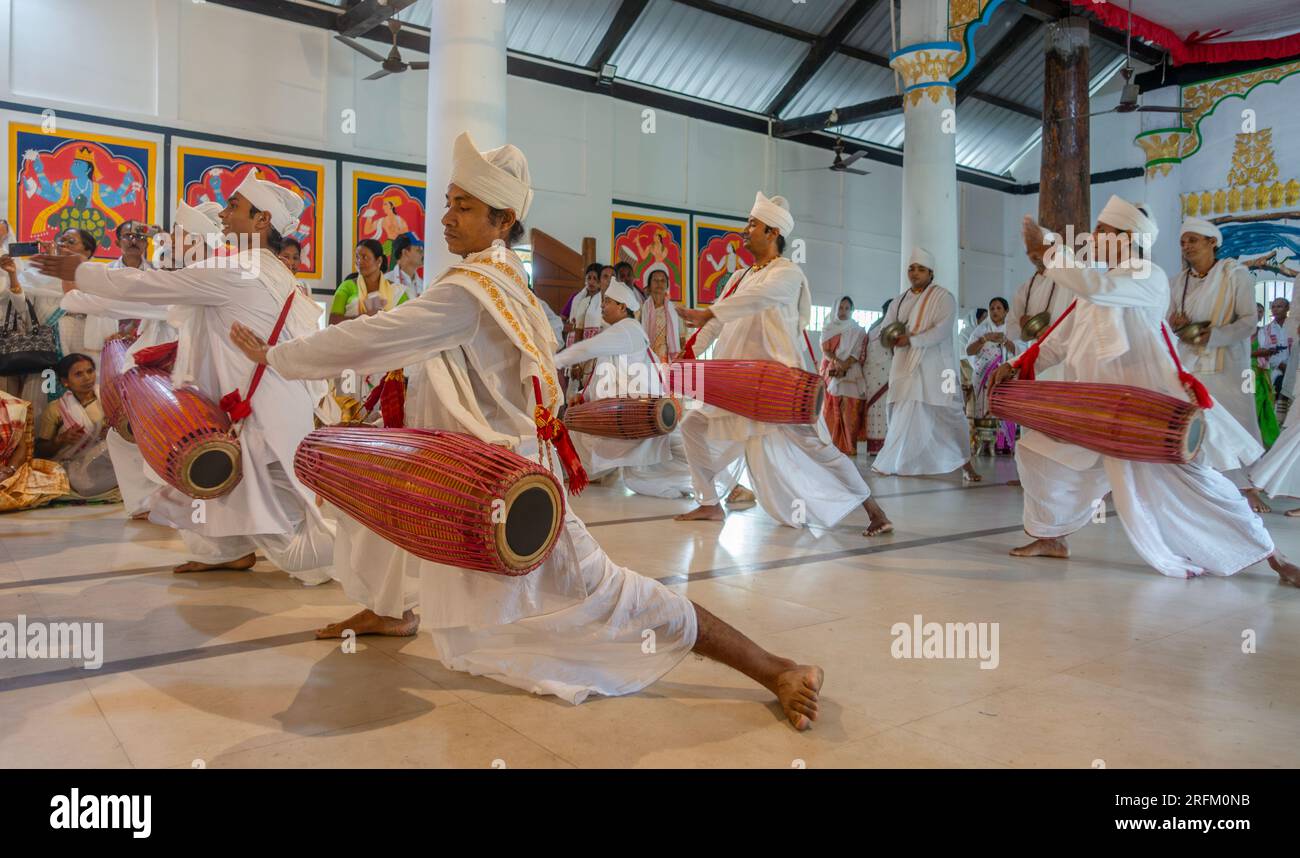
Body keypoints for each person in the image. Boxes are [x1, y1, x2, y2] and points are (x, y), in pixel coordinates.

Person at [229, 132, 826, 730]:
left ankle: (775, 667)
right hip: (500, 475)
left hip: (509, 490)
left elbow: (377, 336)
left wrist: (280, 358)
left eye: (463, 207)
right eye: (448, 202)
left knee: (608, 592)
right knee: (397, 535)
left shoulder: (470, 291)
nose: (446, 217)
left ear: (502, 219)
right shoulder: (505, 277)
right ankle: (388, 610)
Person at [32, 173, 335, 585]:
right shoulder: (271, 270)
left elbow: (153, 284)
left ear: (262, 220)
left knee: (292, 547)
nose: (224, 213)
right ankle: (228, 551)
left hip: (264, 413)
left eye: (234, 206)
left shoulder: (237, 269)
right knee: (222, 492)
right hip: (266, 405)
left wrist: (81, 273)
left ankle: (375, 542)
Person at [998, 199, 1298, 585]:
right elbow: (1059, 340)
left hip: (1146, 409)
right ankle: (1052, 536)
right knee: (1038, 449)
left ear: (1127, 238)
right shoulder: (1096, 283)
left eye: (1103, 232)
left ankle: (1275, 557)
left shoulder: (1146, 275)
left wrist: (1050, 249)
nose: (1094, 237)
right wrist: (1017, 364)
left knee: (1197, 484)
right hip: (1097, 408)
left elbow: (1099, 288)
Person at [673, 192, 893, 538]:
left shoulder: (788, 273)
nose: (745, 230)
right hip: (736, 381)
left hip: (776, 383)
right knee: (692, 425)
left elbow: (758, 299)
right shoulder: (739, 276)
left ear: (773, 232)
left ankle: (874, 510)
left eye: (752, 224)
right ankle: (710, 503)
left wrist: (711, 311)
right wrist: (689, 351)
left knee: (817, 447)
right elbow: (715, 323)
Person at [554, 280, 692, 497]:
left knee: (642, 475)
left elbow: (587, 348)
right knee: (633, 471)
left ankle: (707, 483)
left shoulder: (628, 330)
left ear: (622, 307)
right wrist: (583, 396)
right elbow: (604, 373)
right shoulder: (620, 331)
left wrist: (554, 362)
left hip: (642, 413)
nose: (602, 305)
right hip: (633, 412)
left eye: (607, 301)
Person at [1168, 216, 1268, 511]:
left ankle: (1247, 486)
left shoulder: (1235, 275)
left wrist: (1212, 335)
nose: (1186, 246)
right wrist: (1176, 323)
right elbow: (1168, 321)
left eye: (1193, 240)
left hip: (1228, 363)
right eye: (1183, 241)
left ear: (1213, 243)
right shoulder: (1179, 282)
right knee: (1194, 423)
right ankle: (1197, 481)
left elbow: (1249, 321)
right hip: (1189, 362)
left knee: (1238, 421)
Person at [873, 248, 981, 482]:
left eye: (921, 269)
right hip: (905, 366)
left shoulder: (943, 298)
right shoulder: (899, 301)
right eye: (911, 268)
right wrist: (890, 338)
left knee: (950, 414)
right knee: (901, 411)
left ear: (931, 273)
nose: (915, 273)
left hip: (937, 367)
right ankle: (891, 461)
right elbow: (885, 327)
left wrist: (911, 339)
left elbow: (941, 332)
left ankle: (965, 463)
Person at [34, 353, 118, 501]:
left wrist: (115, 432)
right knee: (84, 483)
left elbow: (131, 432)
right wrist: (61, 440)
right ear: (65, 381)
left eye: (90, 371)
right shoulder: (56, 409)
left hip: (109, 458)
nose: (87, 378)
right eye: (78, 374)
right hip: (76, 466)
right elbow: (39, 451)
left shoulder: (109, 399)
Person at [1, 388, 69, 513]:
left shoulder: (13, 406)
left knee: (55, 475)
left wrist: (10, 470)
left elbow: (21, 447)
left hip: (7, 474)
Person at [967, 297, 1019, 455]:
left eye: (998, 308)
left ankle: (1003, 445)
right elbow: (969, 351)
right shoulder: (982, 329)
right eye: (992, 308)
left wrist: (1006, 341)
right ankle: (983, 444)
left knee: (1004, 409)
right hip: (983, 377)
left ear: (1006, 311)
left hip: (1005, 376)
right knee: (984, 407)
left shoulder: (1013, 329)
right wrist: (985, 339)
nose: (994, 311)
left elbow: (1020, 351)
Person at [819, 295, 868, 457]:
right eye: (841, 308)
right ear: (835, 309)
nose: (844, 311)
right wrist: (837, 362)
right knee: (833, 407)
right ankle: (832, 443)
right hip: (832, 371)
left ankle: (849, 445)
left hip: (852, 371)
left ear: (852, 310)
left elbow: (859, 350)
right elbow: (826, 350)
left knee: (851, 408)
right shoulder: (828, 328)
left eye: (847, 308)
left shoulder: (858, 330)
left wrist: (846, 364)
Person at [862, 299, 892, 454]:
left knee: (875, 408)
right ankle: (885, 448)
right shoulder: (890, 327)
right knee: (884, 408)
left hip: (871, 374)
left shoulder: (873, 327)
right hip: (885, 373)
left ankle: (874, 448)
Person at [1251, 302, 1282, 448]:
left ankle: (1267, 441)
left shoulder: (1263, 331)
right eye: (1255, 310)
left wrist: (1269, 352)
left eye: (1261, 311)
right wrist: (1257, 353)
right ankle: (1249, 437)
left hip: (1262, 372)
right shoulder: (1240, 332)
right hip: (1245, 374)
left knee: (1266, 405)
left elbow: (1270, 349)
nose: (1258, 314)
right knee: (1251, 404)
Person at [639, 267, 683, 363]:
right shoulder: (642, 308)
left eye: (663, 280)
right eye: (655, 280)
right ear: (649, 285)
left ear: (667, 285)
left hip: (667, 357)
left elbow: (681, 336)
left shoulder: (675, 309)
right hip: (648, 354)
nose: (659, 283)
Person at [388, 232, 425, 302]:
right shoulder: (386, 281)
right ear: (405, 252)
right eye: (419, 250)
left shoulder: (423, 284)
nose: (423, 254)